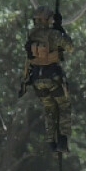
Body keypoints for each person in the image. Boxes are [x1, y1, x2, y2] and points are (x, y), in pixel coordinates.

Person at [22, 9, 73, 152]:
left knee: (49, 110)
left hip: (37, 79)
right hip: (53, 77)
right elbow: (69, 46)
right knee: (63, 106)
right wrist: (59, 28)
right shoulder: (54, 34)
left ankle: (51, 142)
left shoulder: (31, 35)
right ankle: (62, 141)